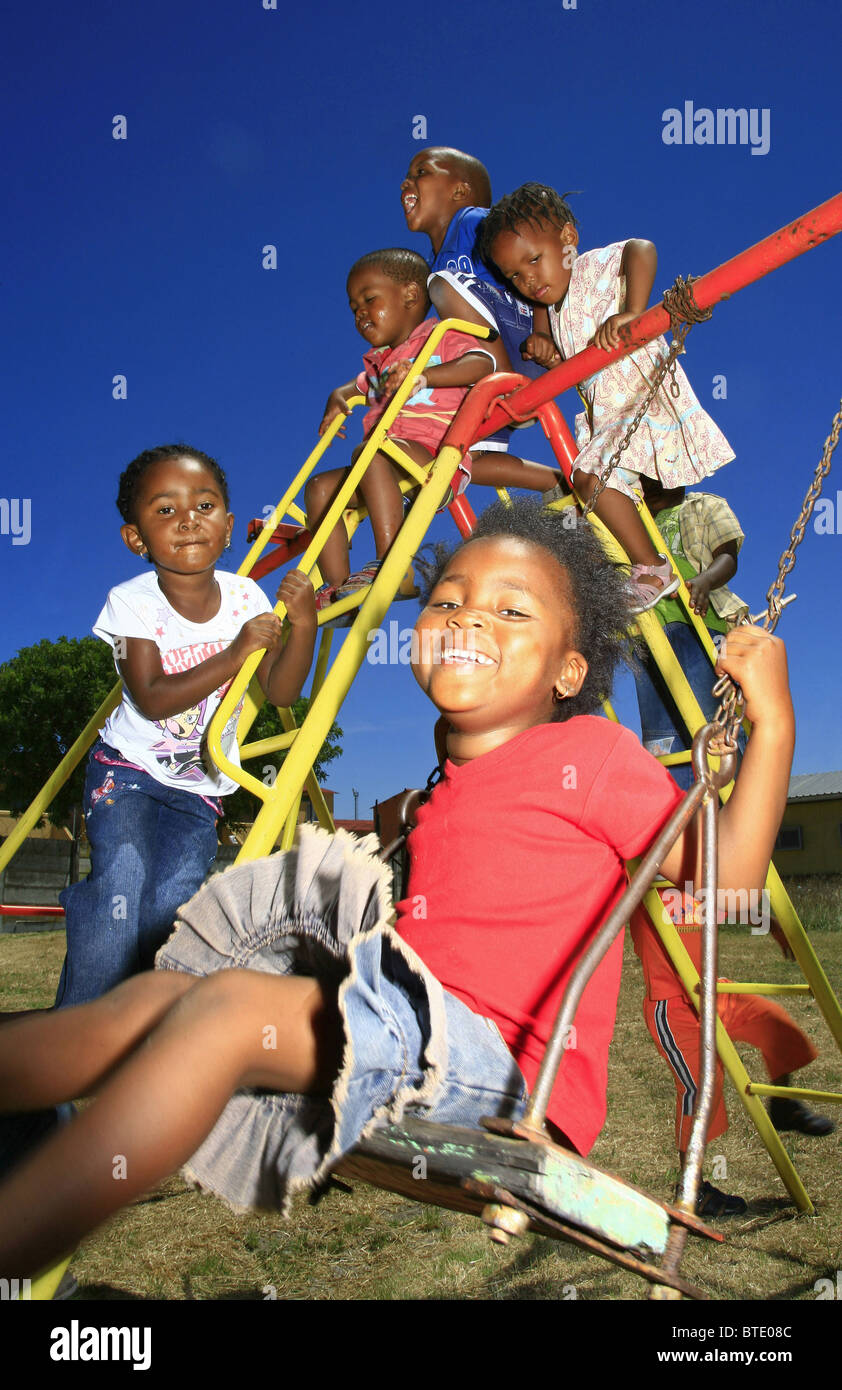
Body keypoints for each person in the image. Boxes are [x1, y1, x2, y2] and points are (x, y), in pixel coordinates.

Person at [0, 498, 796, 1280]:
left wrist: (775, 720)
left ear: (569, 672)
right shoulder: (450, 772)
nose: (468, 617)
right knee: (151, 1001)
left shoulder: (596, 752)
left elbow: (726, 882)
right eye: (447, 600)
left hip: (505, 1070)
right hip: (406, 1025)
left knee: (228, 1011)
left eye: (512, 612)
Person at [56, 443, 317, 1008]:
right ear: (137, 539)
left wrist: (306, 625)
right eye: (166, 510)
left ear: (227, 526)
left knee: (168, 910)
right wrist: (234, 653)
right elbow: (150, 698)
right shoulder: (128, 604)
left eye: (204, 505)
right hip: (129, 772)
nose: (188, 521)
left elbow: (280, 691)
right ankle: (71, 1042)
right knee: (119, 889)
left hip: (199, 790)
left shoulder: (246, 597)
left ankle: (137, 1028)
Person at [478, 183, 736, 610]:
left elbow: (642, 248)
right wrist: (542, 347)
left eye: (534, 260)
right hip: (608, 411)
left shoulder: (592, 267)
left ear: (566, 240)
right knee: (589, 488)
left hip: (640, 395)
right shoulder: (549, 309)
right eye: (515, 275)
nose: (528, 280)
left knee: (588, 479)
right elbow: (559, 356)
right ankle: (634, 566)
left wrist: (633, 310)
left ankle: (652, 568)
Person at [310, 247, 497, 612]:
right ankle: (338, 588)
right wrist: (338, 397)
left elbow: (482, 363)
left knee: (373, 452)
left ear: (410, 295)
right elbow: (356, 387)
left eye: (369, 300)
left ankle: (394, 567)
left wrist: (424, 375)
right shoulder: (381, 365)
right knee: (319, 489)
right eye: (353, 308)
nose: (360, 312)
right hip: (382, 464)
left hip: (435, 455)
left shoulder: (440, 336)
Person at [631, 889, 834, 1218]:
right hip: (673, 1007)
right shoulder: (642, 882)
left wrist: (770, 924)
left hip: (712, 991)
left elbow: (732, 903)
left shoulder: (695, 878)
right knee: (700, 1090)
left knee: (773, 1021)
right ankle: (691, 1189)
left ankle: (782, 1103)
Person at [399, 146, 563, 493]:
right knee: (465, 454)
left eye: (421, 173)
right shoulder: (440, 259)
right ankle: (559, 482)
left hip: (523, 347)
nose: (406, 182)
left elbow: (532, 265)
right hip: (495, 347)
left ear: (459, 191)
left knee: (441, 287)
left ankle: (495, 378)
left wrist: (543, 332)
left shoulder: (474, 222)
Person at [633, 478, 750, 789]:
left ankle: (733, 795)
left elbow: (727, 556)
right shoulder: (633, 519)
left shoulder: (705, 504)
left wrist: (706, 580)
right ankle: (676, 799)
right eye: (644, 477)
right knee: (661, 734)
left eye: (660, 476)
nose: (651, 483)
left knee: (709, 716)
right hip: (649, 633)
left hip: (700, 622)